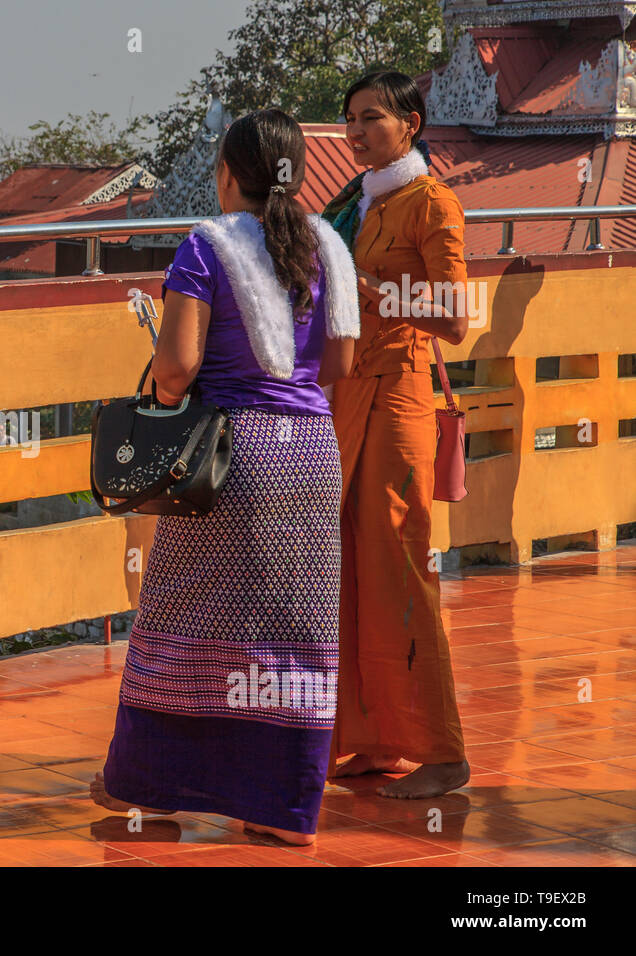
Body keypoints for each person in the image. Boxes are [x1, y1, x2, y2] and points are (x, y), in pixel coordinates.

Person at [91, 109, 360, 845]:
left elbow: (175, 368)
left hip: (230, 458)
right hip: (308, 453)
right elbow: (338, 366)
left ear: (227, 174)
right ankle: (282, 808)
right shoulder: (329, 247)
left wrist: (165, 403)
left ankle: (148, 784)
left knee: (181, 614)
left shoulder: (206, 247)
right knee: (292, 632)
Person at [321, 71, 471, 798]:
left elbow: (455, 318)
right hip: (350, 399)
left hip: (401, 399)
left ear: (410, 125)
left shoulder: (431, 203)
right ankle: (376, 738)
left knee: (403, 570)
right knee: (351, 570)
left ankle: (442, 750)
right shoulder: (363, 201)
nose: (356, 132)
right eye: (350, 119)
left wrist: (375, 292)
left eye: (372, 118)